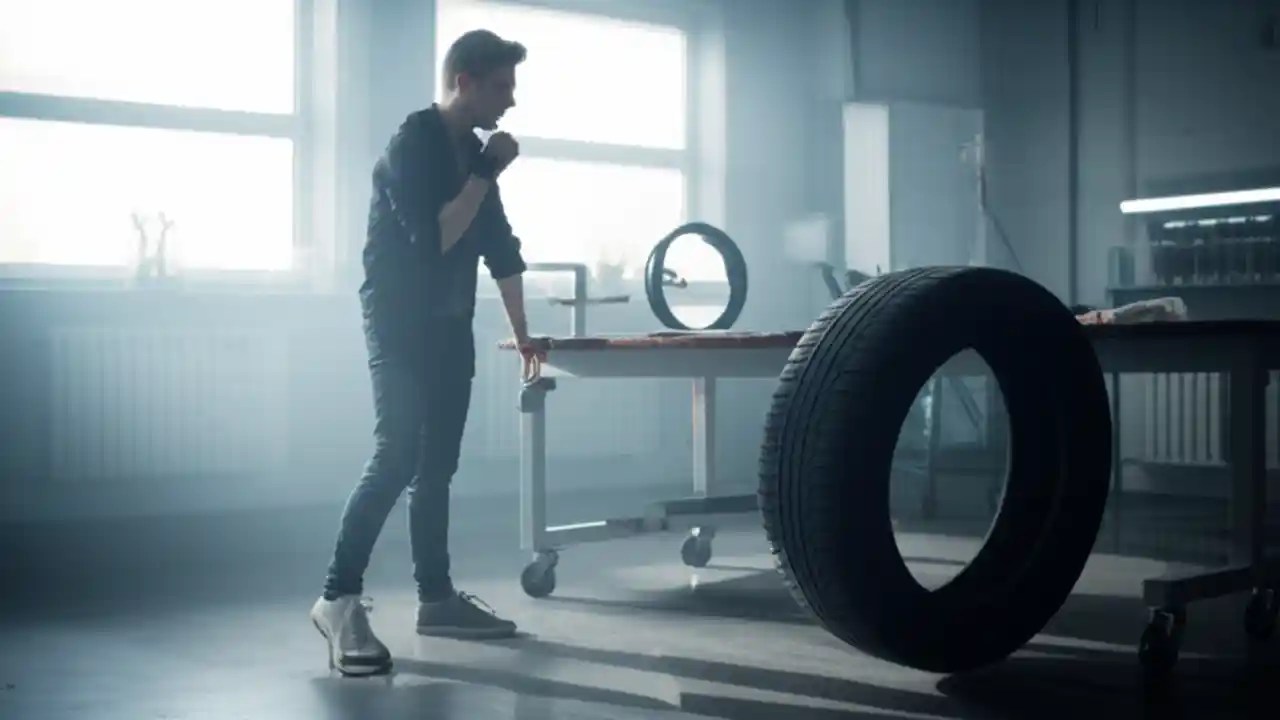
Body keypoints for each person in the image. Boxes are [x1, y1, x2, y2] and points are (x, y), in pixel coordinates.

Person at [310, 29, 542, 676]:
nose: (510, 102)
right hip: (397, 325)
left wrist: (523, 332)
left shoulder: (471, 153)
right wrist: (487, 170)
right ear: (463, 82)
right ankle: (337, 598)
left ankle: (435, 599)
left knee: (435, 467)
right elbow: (433, 240)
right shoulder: (410, 144)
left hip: (448, 329)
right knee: (397, 454)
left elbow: (501, 248)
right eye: (501, 87)